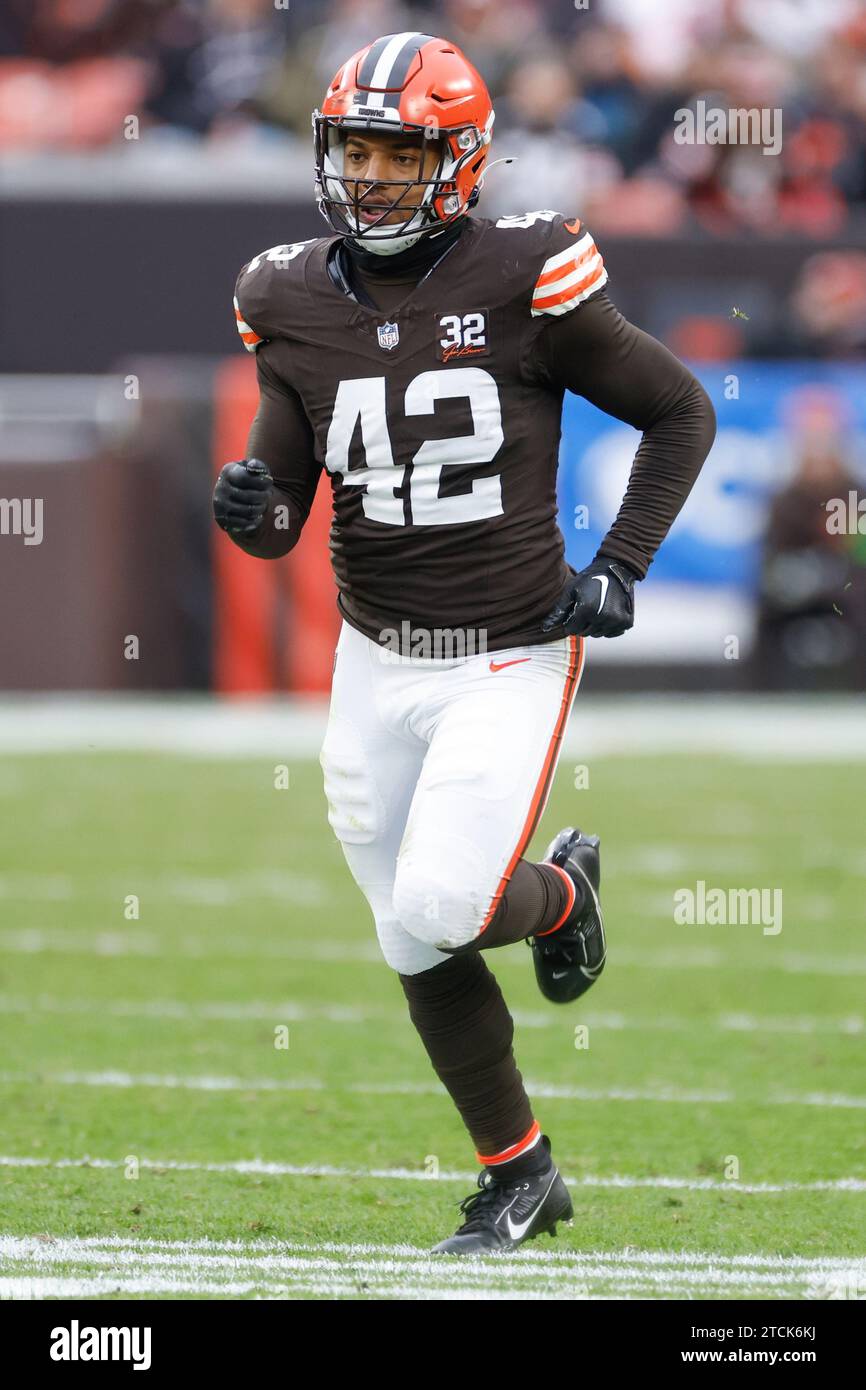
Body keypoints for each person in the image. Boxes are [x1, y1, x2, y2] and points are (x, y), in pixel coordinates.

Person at [213, 31, 716, 1254]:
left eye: (399, 152)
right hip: (374, 654)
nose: (371, 177)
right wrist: (255, 508)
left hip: (507, 646)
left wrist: (619, 567)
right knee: (404, 931)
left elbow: (676, 408)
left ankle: (558, 898)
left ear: (460, 161)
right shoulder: (281, 294)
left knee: (442, 898)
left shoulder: (524, 270)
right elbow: (284, 515)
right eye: (354, 149)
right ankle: (520, 1175)